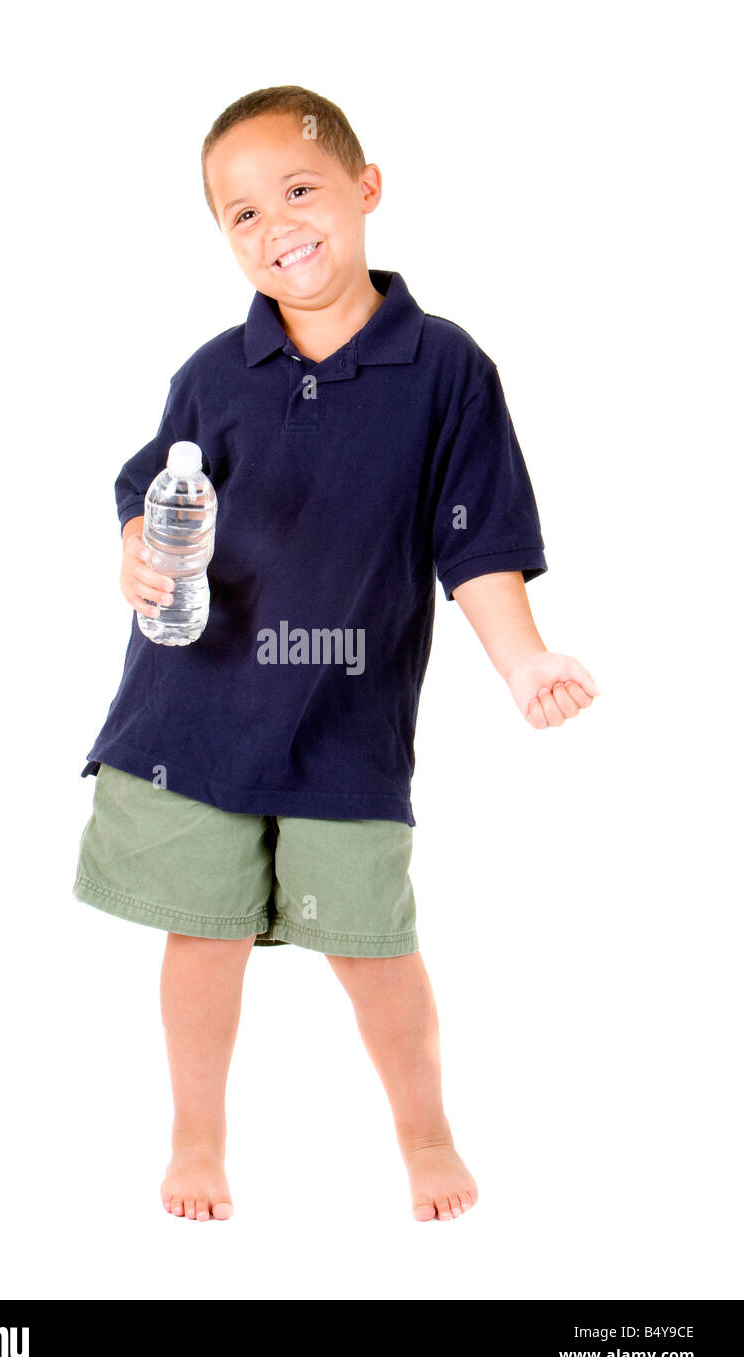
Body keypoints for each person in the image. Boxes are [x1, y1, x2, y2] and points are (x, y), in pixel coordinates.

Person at [73, 85, 601, 1223]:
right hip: (194, 715)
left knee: (371, 950)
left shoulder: (444, 368)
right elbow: (147, 497)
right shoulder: (217, 371)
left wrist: (522, 662)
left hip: (344, 726)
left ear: (365, 189)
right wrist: (136, 551)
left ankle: (424, 1134)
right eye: (241, 215)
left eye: (298, 191)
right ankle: (196, 1138)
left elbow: (476, 542)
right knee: (201, 939)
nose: (277, 227)